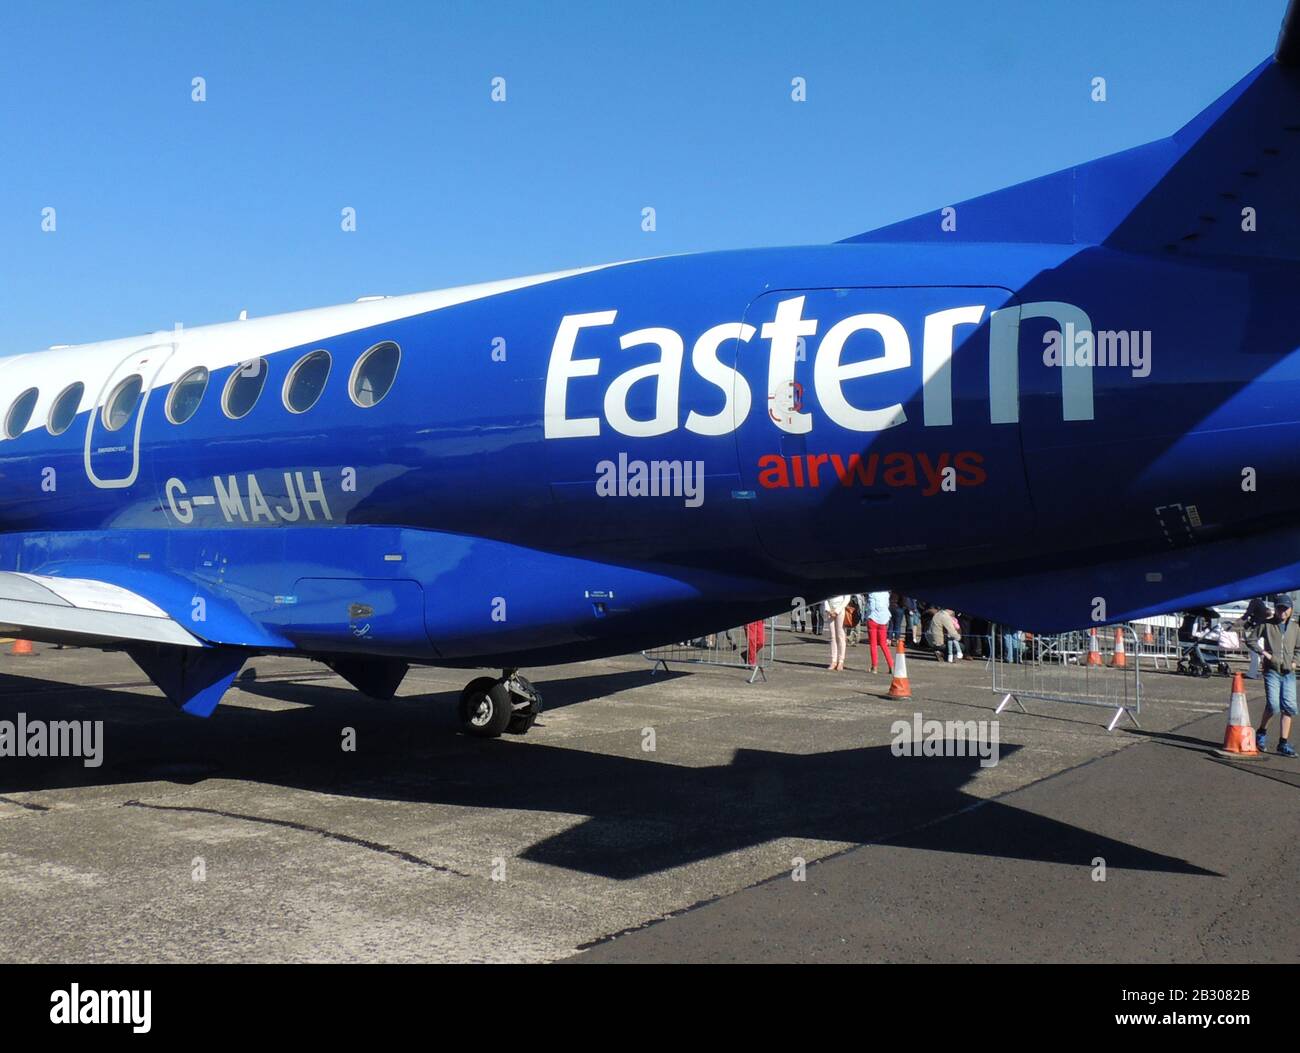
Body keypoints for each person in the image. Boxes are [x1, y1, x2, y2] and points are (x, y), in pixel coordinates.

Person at [1249, 593, 1297, 757]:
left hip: (1289, 672)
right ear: (1275, 609)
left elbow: (1298, 649)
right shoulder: (1267, 625)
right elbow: (1251, 640)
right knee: (1274, 705)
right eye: (1279, 608)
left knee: (1289, 707)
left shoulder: (1295, 628)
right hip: (1272, 671)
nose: (1282, 612)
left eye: (1285, 608)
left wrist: (1295, 662)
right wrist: (1265, 654)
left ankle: (1283, 743)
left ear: (1291, 609)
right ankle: (1261, 732)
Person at [1243, 595, 1274, 679]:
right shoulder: (1261, 603)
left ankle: (1252, 673)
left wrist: (1241, 619)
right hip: (1262, 631)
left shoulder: (1254, 602)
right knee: (1261, 653)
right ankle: (1266, 671)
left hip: (1257, 631)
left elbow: (1248, 613)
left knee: (1255, 653)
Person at [866, 590, 895, 675]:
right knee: (883, 644)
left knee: (873, 644)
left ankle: (874, 667)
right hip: (883, 620)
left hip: (873, 619)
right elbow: (886, 605)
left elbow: (871, 607)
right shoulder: (886, 593)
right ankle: (891, 666)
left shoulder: (872, 592)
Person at [824, 594, 850, 671]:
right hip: (830, 609)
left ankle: (841, 661)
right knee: (833, 637)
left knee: (840, 636)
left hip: (840, 609)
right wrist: (828, 609)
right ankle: (833, 661)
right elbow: (824, 597)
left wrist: (837, 610)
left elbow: (847, 598)